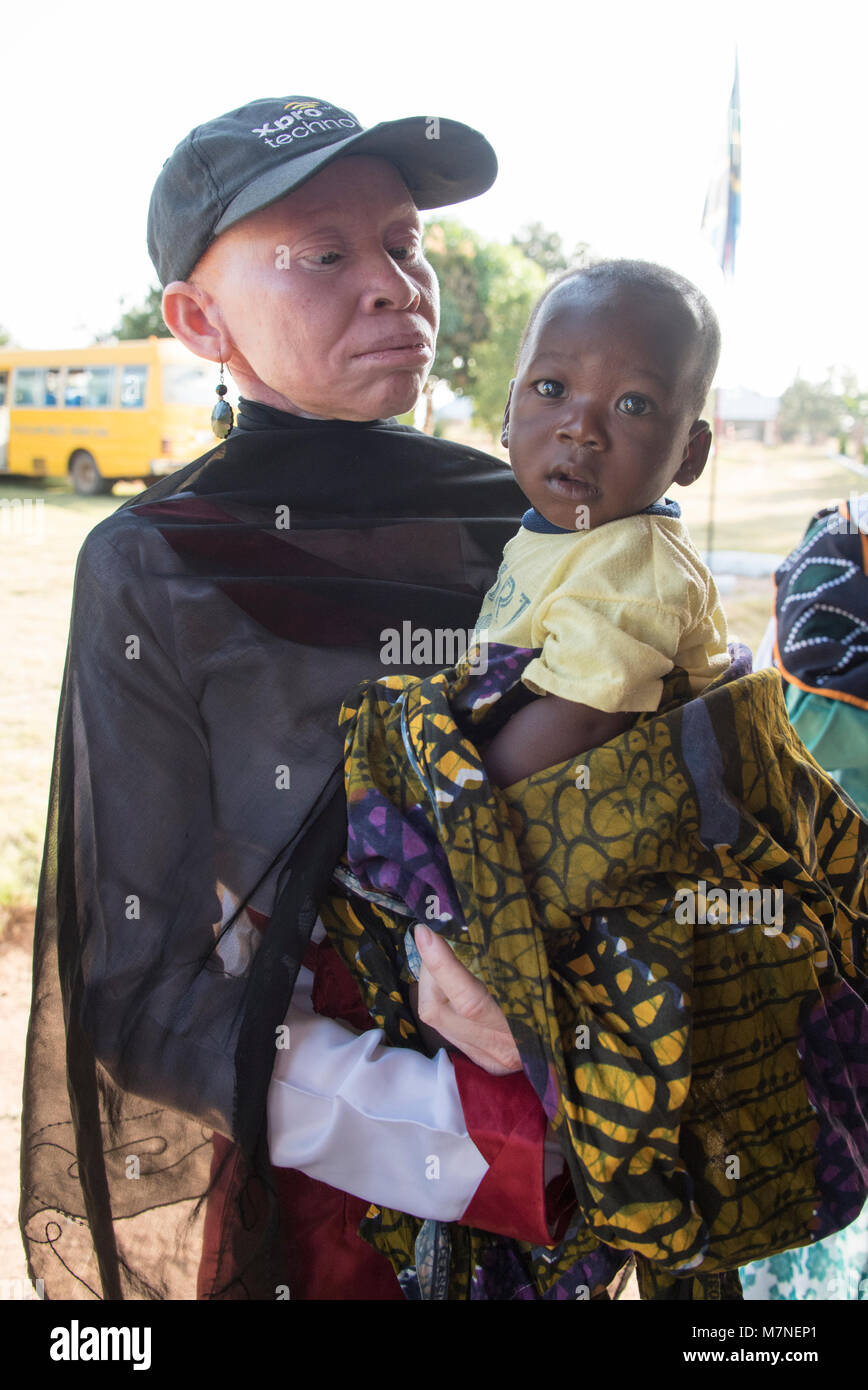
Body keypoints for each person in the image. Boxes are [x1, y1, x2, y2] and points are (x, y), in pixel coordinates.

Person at [19, 94, 586, 1303]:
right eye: (322, 255)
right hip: (343, 1214)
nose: (391, 284)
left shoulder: (531, 525)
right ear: (197, 318)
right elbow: (144, 991)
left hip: (592, 1170)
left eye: (402, 242)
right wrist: (467, 1136)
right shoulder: (155, 562)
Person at [471, 260, 730, 791]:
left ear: (690, 453)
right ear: (506, 414)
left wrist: (456, 798)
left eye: (633, 404)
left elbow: (586, 715)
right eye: (551, 388)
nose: (581, 429)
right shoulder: (558, 531)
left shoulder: (634, 565)